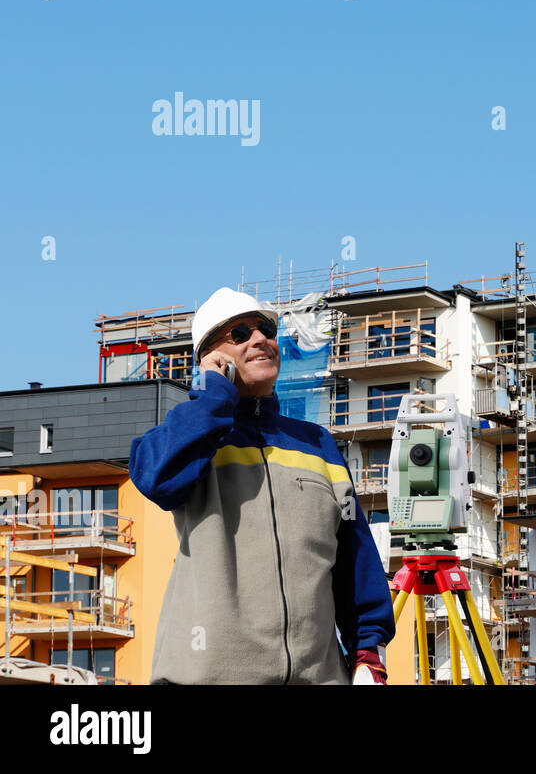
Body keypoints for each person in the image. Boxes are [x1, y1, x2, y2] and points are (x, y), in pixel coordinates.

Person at [129, 286, 395, 684]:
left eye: (265, 330)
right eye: (239, 334)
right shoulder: (191, 436)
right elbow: (155, 478)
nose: (260, 339)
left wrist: (368, 655)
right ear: (211, 358)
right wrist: (213, 397)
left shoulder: (318, 444)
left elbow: (356, 560)